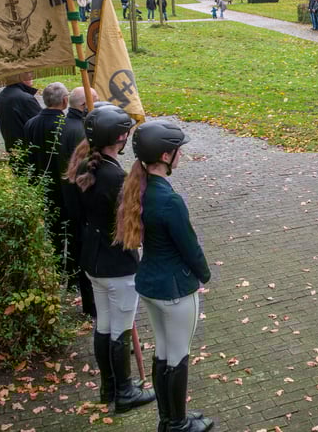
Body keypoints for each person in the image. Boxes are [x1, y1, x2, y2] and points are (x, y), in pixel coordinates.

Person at [115, 121, 213, 432]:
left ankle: (169, 418)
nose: (180, 156)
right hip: (175, 287)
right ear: (167, 156)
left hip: (149, 284)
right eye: (178, 151)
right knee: (178, 355)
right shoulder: (169, 200)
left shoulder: (138, 188)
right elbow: (189, 246)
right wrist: (205, 275)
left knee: (163, 353)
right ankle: (177, 423)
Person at [66, 105, 155, 413]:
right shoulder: (115, 176)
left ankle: (109, 387)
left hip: (92, 258)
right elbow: (136, 220)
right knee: (118, 328)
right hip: (117, 264)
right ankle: (125, 392)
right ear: (119, 138)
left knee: (104, 325)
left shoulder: (83, 165)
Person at [59, 86, 99, 317]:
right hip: (82, 207)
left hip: (70, 202)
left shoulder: (65, 124)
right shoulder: (81, 132)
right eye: (94, 101)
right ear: (84, 105)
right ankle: (91, 304)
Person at [24, 82, 71, 271]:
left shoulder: (30, 123)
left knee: (52, 227)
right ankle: (70, 270)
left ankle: (58, 265)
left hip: (39, 181)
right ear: (65, 101)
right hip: (62, 185)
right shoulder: (65, 125)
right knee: (67, 227)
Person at [0, 72, 42, 154]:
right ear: (17, 76)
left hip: (14, 151)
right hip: (29, 153)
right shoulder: (25, 99)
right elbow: (42, 125)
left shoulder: (2, 95)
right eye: (26, 73)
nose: (31, 75)